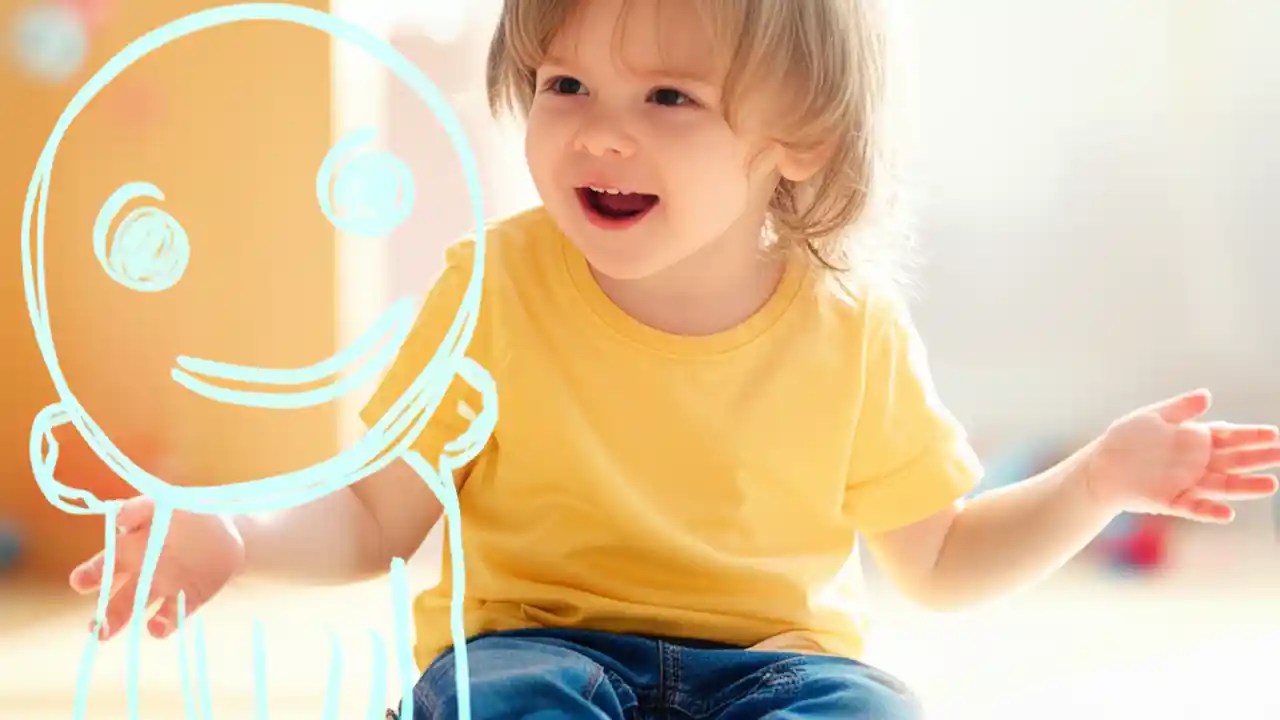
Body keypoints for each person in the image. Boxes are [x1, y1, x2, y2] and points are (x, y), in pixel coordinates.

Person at [68, 0, 1280, 717]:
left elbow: (941, 561)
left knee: (870, 711)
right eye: (564, 80)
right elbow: (378, 513)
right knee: (512, 702)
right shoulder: (490, 290)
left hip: (772, 675)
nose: (598, 129)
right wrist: (232, 532)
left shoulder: (848, 332)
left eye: (668, 98)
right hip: (534, 648)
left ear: (795, 143)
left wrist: (1096, 483)